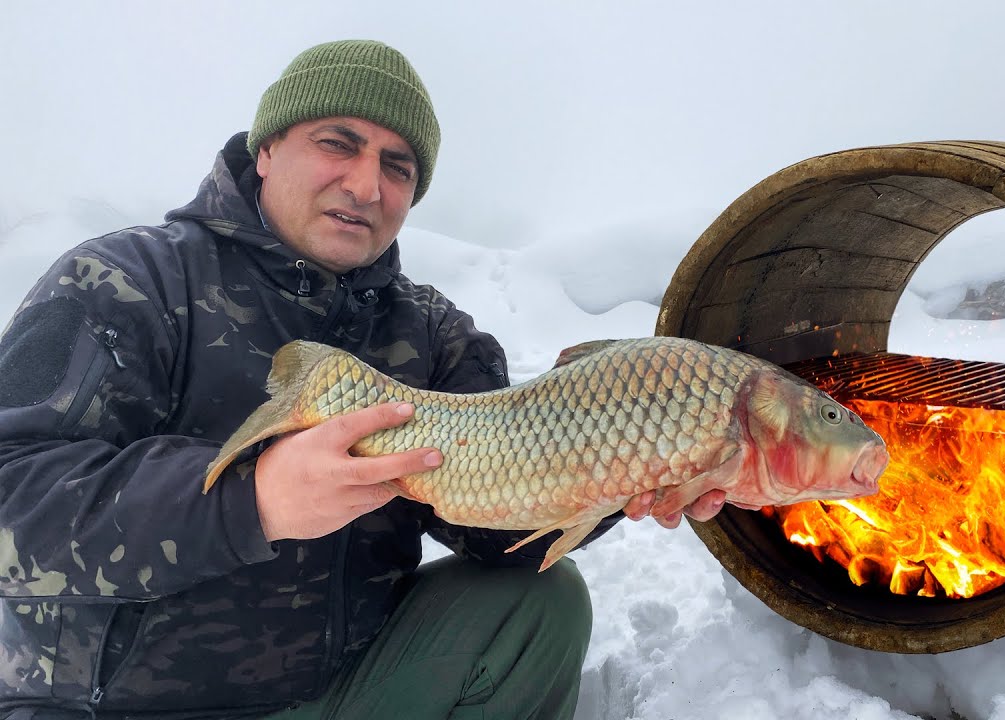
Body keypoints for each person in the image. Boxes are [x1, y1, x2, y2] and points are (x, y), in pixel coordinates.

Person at [0, 39, 726, 720]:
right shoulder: (128, 281)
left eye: (398, 166)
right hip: (118, 706)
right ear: (267, 148)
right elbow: (12, 500)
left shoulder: (434, 332)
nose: (366, 184)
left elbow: (491, 540)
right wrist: (253, 501)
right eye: (337, 144)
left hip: (340, 690)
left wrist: (609, 477)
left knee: (540, 606)